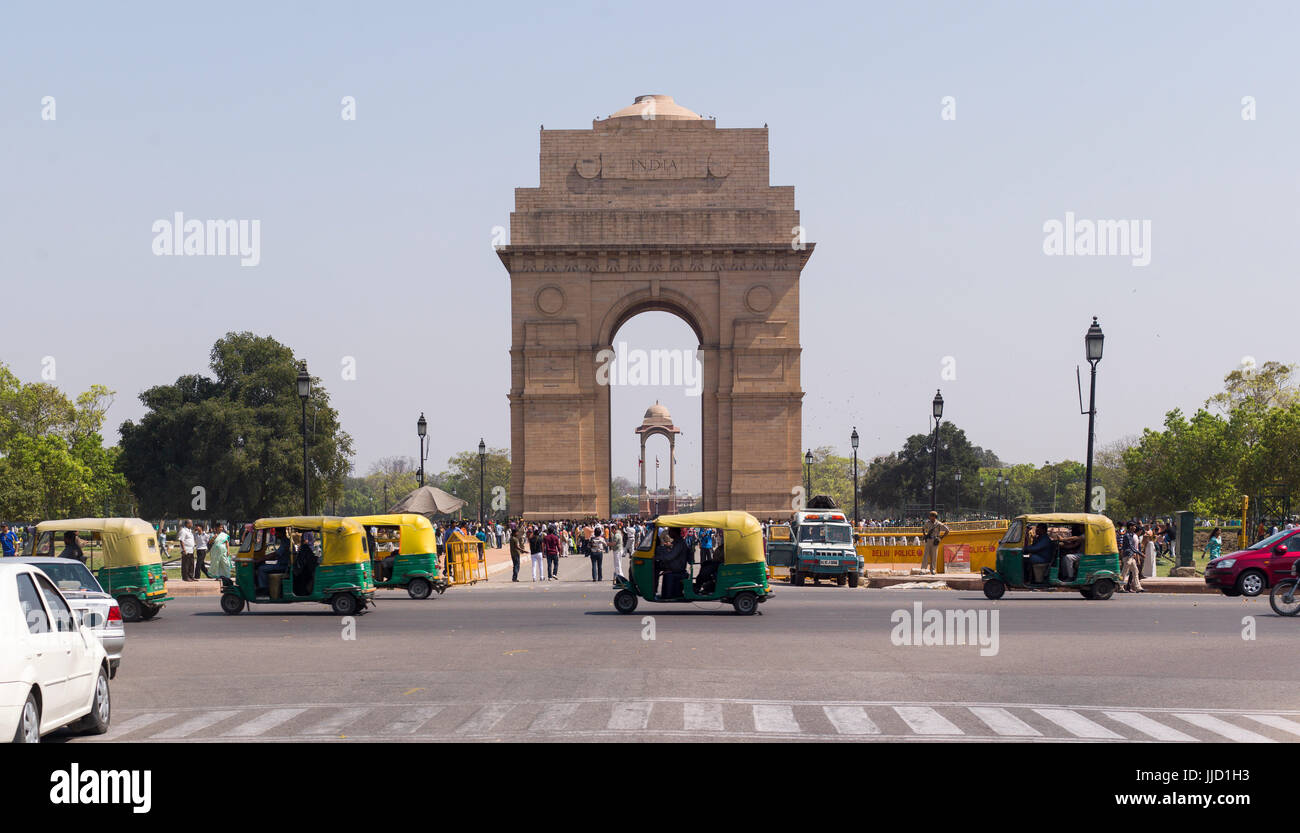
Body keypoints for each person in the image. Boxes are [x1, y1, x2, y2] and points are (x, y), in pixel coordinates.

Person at [654, 526, 691, 599]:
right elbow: (667, 550)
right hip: (675, 563)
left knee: (655, 566)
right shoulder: (676, 541)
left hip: (677, 566)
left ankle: (653, 589)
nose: (669, 533)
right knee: (656, 565)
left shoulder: (680, 543)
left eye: (670, 531)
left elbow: (670, 556)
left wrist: (657, 557)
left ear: (674, 532)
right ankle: (654, 588)